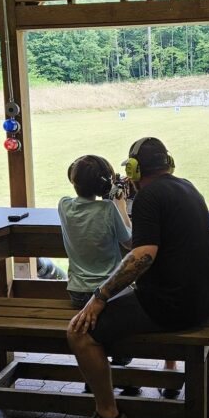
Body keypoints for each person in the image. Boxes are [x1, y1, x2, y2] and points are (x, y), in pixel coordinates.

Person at [63, 137, 209, 418]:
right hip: (201, 302)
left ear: (133, 169)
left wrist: (100, 296)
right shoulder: (187, 187)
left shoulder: (149, 197)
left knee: (78, 331)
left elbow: (141, 255)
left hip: (170, 307)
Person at [58, 155, 138, 396]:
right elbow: (130, 243)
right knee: (125, 322)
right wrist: (120, 206)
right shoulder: (108, 210)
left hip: (77, 293)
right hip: (111, 294)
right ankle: (116, 369)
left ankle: (96, 373)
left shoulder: (64, 205)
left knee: (100, 327)